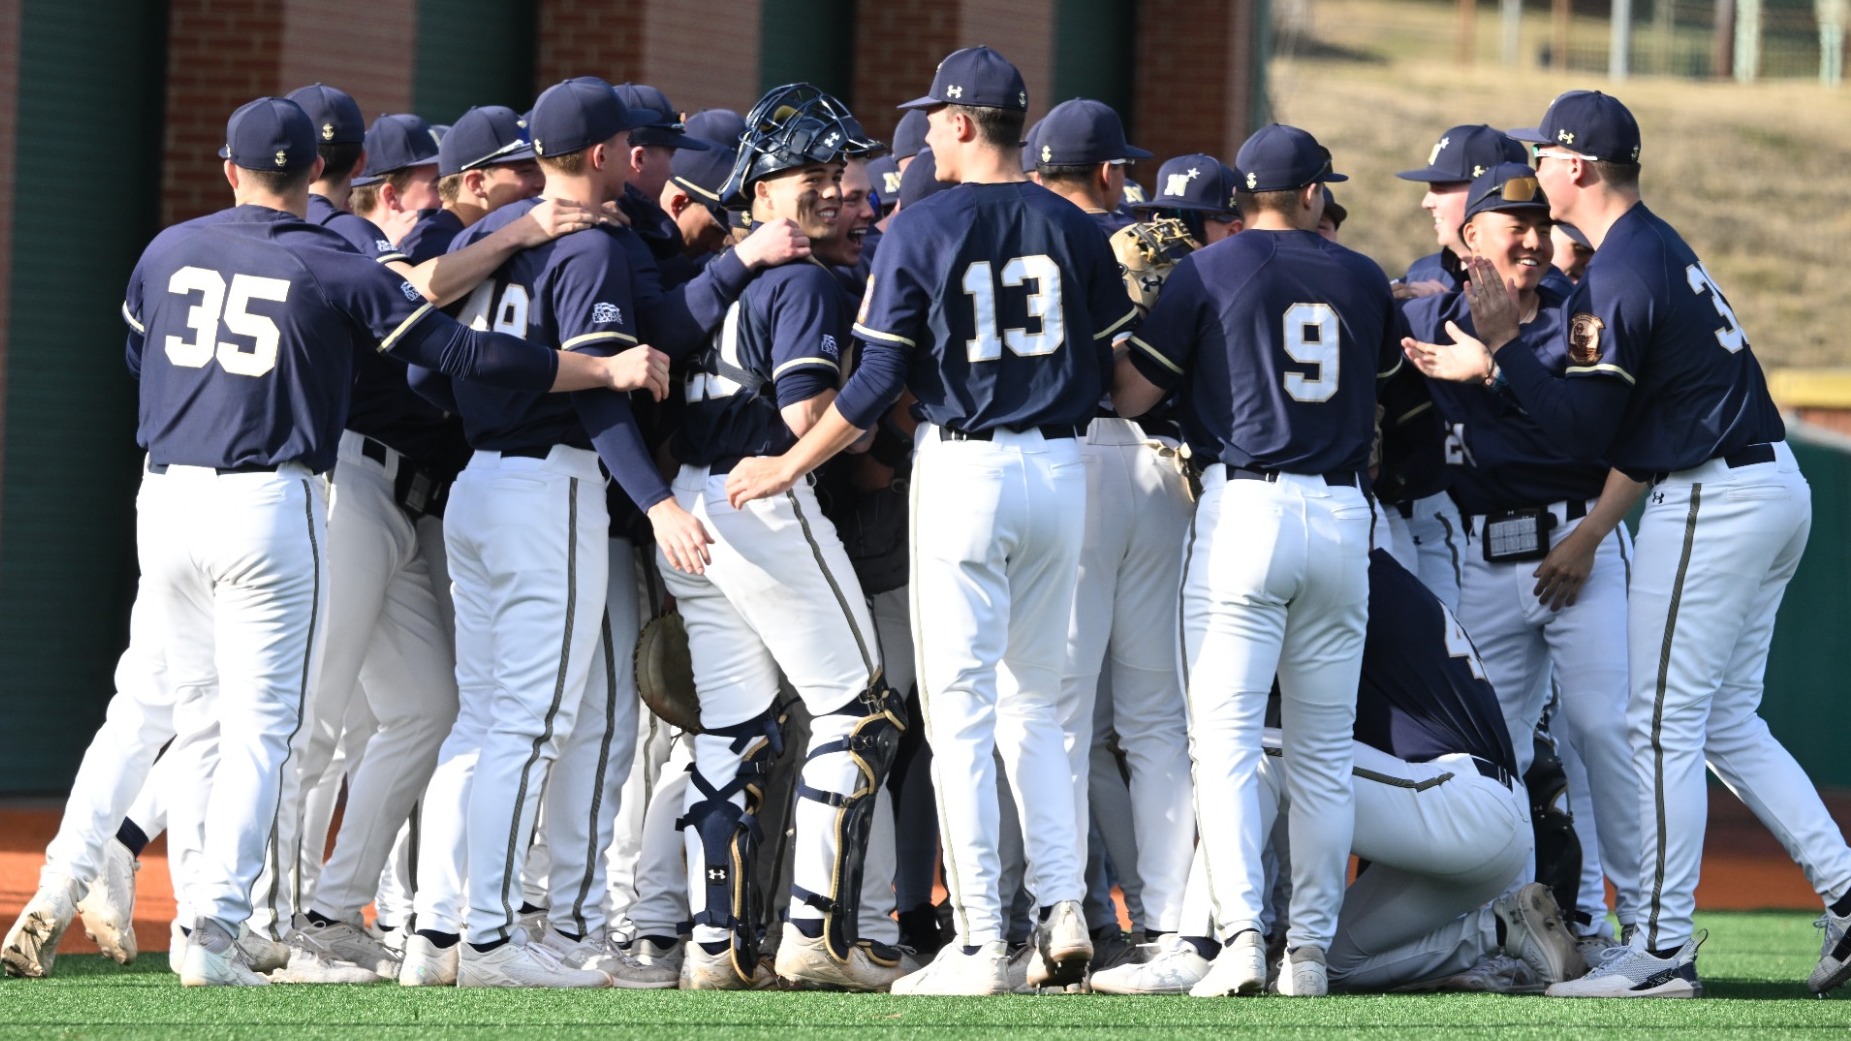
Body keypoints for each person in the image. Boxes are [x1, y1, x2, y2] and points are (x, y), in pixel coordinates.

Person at [2, 94, 668, 986]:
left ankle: (82, 881)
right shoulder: (325, 260)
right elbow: (460, 356)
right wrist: (597, 365)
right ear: (316, 172)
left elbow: (139, 358)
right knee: (266, 731)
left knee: (169, 707)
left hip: (164, 496)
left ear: (229, 168)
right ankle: (219, 927)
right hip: (277, 497)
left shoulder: (168, 248)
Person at [1403, 89, 1851, 998]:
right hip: (1764, 485)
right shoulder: (1653, 246)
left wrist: (1494, 360)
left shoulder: (1618, 271)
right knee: (1722, 719)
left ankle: (1658, 947)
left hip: (1712, 494)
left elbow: (1580, 432)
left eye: (1546, 157)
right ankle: (1845, 890)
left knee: (1658, 722)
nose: (1536, 171)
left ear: (1577, 167)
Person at [722, 45, 1139, 996]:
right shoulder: (1073, 224)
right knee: (1042, 706)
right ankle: (1064, 909)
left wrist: (787, 463)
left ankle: (985, 939)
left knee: (958, 715)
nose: (927, 139)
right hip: (1063, 463)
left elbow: (873, 384)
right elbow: (1124, 375)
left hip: (965, 467)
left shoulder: (921, 223)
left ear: (958, 123)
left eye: (933, 121)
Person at [396, 76, 704, 990]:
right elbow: (609, 401)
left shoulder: (482, 237)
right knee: (529, 730)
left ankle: (436, 929)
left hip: (476, 485)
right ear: (607, 153)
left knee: (480, 726)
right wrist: (654, 501)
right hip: (545, 491)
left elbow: (421, 368)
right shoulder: (593, 247)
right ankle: (490, 938)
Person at [1112, 123, 1399, 998]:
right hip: (1345, 511)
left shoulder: (1205, 268)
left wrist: (1126, 316)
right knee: (1321, 752)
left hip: (1244, 507)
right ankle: (1306, 951)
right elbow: (1384, 373)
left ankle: (1240, 939)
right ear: (1313, 194)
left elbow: (1129, 394)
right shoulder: (1359, 273)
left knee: (1226, 745)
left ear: (1242, 197)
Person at [1093, 551, 1585, 996]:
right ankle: (1501, 929)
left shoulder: (1336, 576)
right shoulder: (1362, 570)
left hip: (1459, 800)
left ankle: (1194, 949)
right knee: (1333, 965)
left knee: (1245, 751)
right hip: (1463, 814)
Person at [1402, 163, 1644, 949]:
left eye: (1542, 224)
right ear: (1471, 239)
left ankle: (1632, 926)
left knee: (1602, 731)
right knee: (1485, 754)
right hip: (1481, 559)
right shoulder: (1432, 321)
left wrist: (1498, 366)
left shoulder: (1580, 320)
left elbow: (1593, 434)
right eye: (1516, 227)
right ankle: (1506, 927)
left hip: (1579, 547)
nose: (1536, 241)